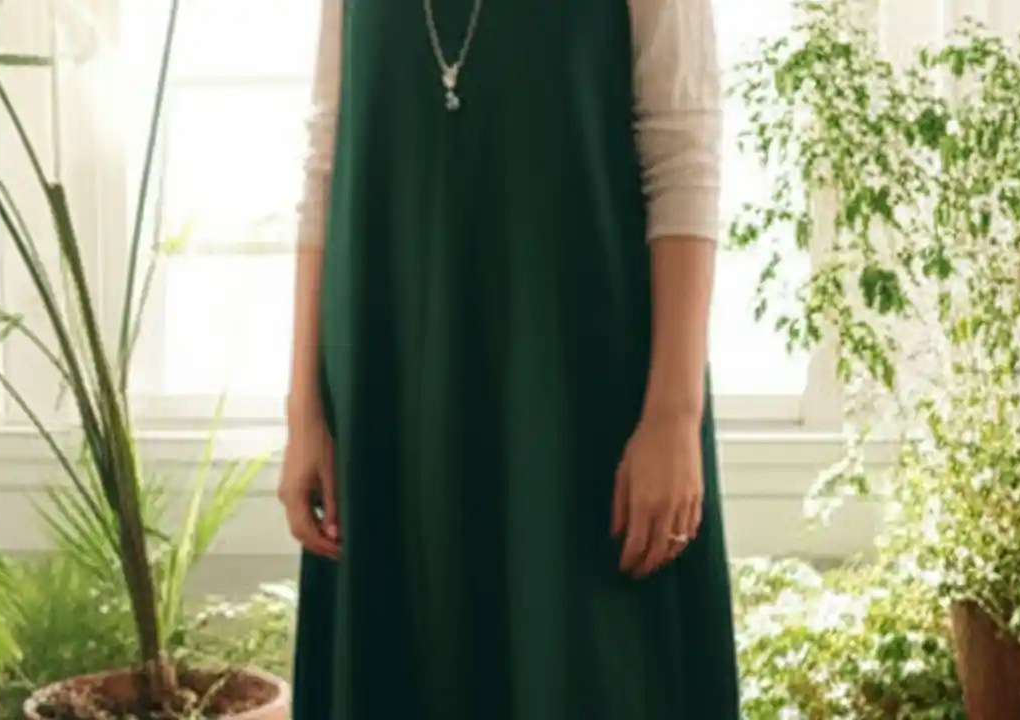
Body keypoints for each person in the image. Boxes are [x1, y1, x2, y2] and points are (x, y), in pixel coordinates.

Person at [278, 0, 740, 717]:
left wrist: (675, 414)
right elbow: (324, 159)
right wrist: (303, 408)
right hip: (390, 379)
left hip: (576, 388)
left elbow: (684, 154)